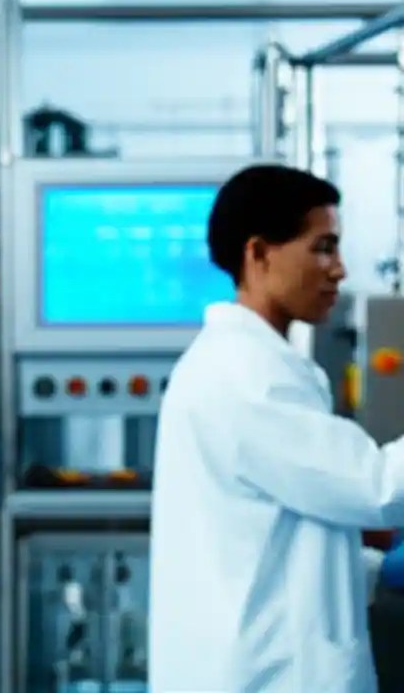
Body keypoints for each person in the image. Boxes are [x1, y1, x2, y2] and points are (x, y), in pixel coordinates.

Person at [148, 164, 404, 692]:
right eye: (323, 247)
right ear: (259, 253)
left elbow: (271, 545)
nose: (339, 270)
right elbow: (374, 487)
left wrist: (376, 572)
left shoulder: (251, 364)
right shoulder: (245, 375)